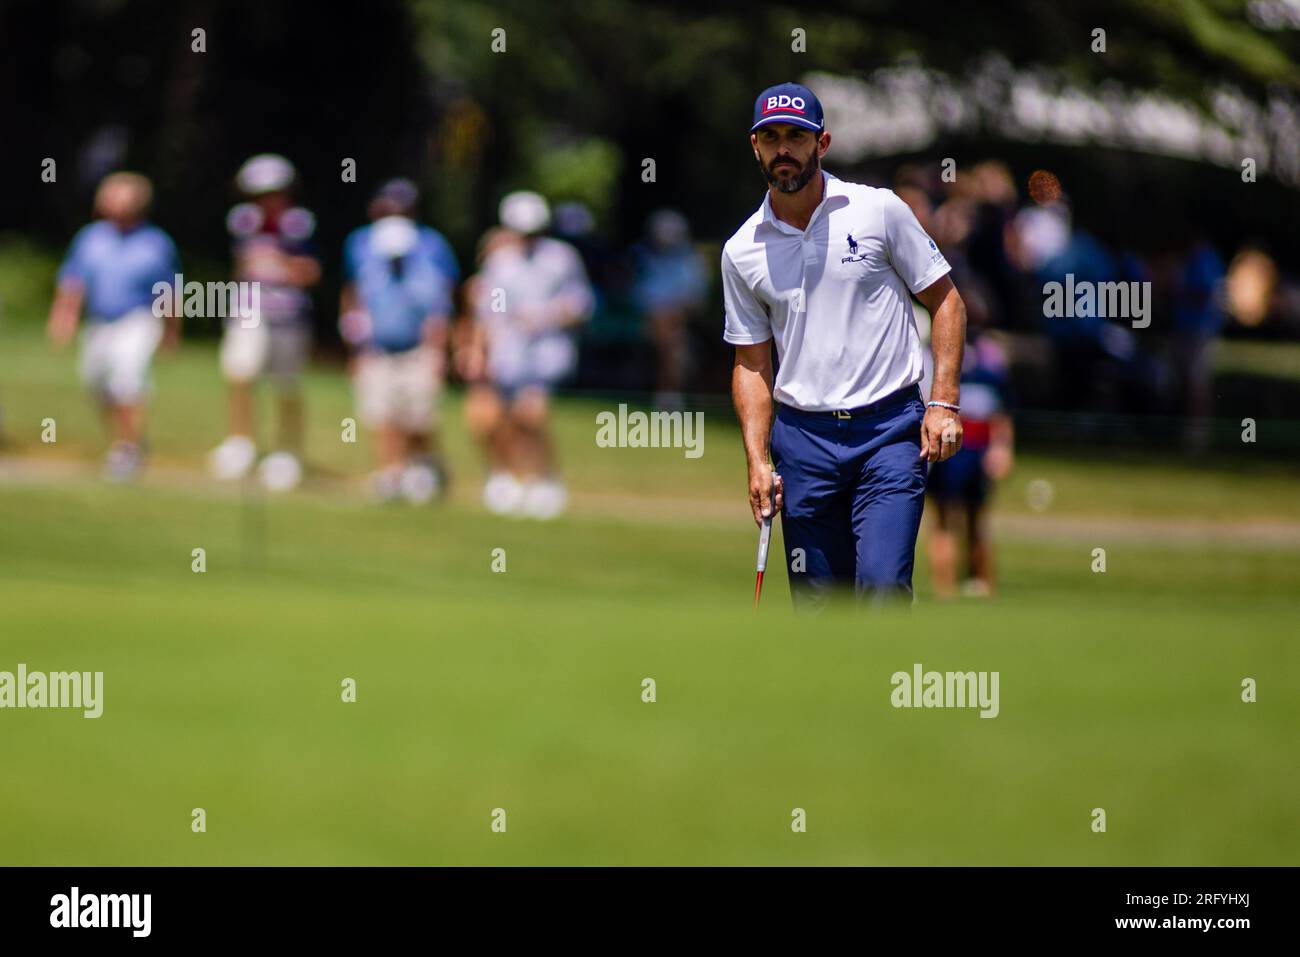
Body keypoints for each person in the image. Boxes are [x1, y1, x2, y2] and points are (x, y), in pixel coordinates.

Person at [722, 82, 968, 609]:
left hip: (889, 433)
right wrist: (756, 458)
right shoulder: (742, 250)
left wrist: (943, 401)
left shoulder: (878, 210)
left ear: (822, 143)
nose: (783, 149)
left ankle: (891, 688)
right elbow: (751, 363)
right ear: (755, 146)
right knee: (819, 610)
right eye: (772, 138)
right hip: (802, 441)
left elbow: (946, 302)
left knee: (882, 588)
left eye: (796, 136)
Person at [458, 191, 594, 519]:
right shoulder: (499, 262)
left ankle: (543, 478)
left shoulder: (562, 259)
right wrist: (477, 349)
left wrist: (548, 315)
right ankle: (507, 476)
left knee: (530, 414)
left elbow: (581, 304)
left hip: (548, 351)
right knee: (495, 420)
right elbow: (487, 313)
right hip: (508, 351)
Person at [48, 172, 180, 480]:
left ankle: (126, 451)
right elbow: (72, 282)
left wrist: (171, 331)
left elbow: (170, 292)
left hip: (138, 319)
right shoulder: (91, 238)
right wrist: (63, 317)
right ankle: (127, 439)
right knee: (96, 383)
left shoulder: (156, 243)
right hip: (99, 321)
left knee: (128, 381)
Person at [208, 154, 321, 490]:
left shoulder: (300, 224)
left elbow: (311, 271)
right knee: (239, 373)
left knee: (286, 384)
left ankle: (287, 452)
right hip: (249, 310)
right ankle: (241, 443)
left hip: (289, 315)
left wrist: (284, 266)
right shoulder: (242, 221)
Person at [340, 183, 457, 503]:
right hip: (377, 348)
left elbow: (439, 310)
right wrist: (355, 347)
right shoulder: (361, 246)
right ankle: (391, 472)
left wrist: (437, 352)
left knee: (418, 416)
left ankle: (422, 467)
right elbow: (353, 300)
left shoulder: (431, 253)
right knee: (382, 414)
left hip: (416, 348)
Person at [924, 296, 1014, 599]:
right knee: (947, 519)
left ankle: (978, 586)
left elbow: (1002, 410)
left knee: (971, 520)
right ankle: (947, 590)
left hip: (974, 442)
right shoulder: (986, 352)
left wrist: (1001, 447)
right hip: (951, 441)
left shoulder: (989, 354)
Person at [630, 209, 708, 408]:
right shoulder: (642, 258)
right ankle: (669, 393)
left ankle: (667, 392)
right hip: (642, 320)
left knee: (672, 340)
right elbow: (634, 294)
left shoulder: (692, 262)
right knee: (671, 340)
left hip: (677, 323)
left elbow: (695, 302)